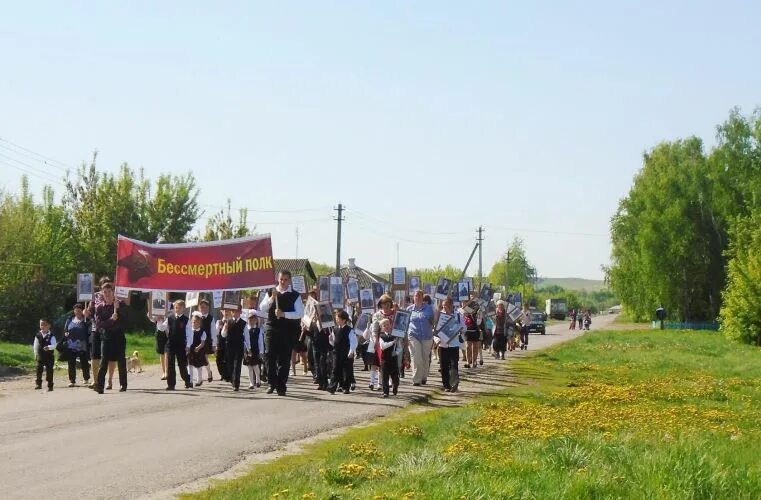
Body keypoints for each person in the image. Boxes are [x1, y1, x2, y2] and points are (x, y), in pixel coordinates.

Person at [258, 270, 304, 396]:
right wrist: (272, 299)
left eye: (285, 279)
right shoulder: (271, 292)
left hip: (287, 330)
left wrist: (284, 314)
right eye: (281, 279)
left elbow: (300, 313)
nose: (283, 282)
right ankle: (272, 383)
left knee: (284, 359)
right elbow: (262, 308)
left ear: (289, 280)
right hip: (272, 328)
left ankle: (281, 385)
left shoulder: (295, 295)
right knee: (269, 356)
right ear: (278, 279)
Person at [94, 283, 129, 393]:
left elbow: (125, 321)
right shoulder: (99, 307)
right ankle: (100, 386)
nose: (107, 294)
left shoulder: (120, 304)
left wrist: (117, 310)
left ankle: (123, 385)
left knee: (121, 361)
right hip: (106, 336)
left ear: (113, 292)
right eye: (105, 292)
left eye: (109, 291)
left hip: (118, 336)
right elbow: (99, 324)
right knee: (104, 361)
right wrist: (111, 320)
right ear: (102, 293)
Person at [157, 299, 192, 391]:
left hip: (181, 345)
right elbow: (161, 328)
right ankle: (171, 384)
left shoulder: (186, 320)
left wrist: (188, 345)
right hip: (170, 344)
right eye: (176, 307)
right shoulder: (170, 318)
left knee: (182, 365)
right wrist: (159, 321)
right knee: (170, 364)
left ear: (183, 309)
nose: (177, 309)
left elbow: (189, 334)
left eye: (179, 308)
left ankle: (187, 380)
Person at [435, 296, 464, 392]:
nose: (445, 308)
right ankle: (446, 385)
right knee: (443, 366)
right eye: (443, 306)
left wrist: (451, 319)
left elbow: (463, 328)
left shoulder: (458, 315)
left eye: (446, 305)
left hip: (454, 344)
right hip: (442, 345)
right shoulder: (439, 315)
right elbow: (435, 329)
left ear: (451, 305)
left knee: (453, 365)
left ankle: (454, 383)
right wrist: (436, 340)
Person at [406, 290, 434, 386]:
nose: (417, 297)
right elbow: (405, 323)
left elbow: (433, 321)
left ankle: (423, 377)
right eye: (415, 296)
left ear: (422, 297)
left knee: (425, 358)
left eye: (419, 296)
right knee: (416, 357)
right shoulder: (409, 309)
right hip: (413, 336)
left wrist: (432, 321)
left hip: (427, 336)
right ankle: (416, 379)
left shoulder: (429, 309)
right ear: (413, 298)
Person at [327, 309, 356, 394]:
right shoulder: (335, 329)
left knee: (346, 370)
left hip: (346, 352)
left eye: (338, 318)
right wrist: (330, 340)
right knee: (335, 369)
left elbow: (353, 342)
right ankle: (332, 387)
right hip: (336, 352)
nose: (336, 320)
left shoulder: (349, 330)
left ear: (344, 320)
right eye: (336, 318)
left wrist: (351, 351)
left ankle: (345, 387)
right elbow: (333, 342)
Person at [221, 305, 249, 392]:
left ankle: (236, 384)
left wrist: (248, 348)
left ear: (240, 312)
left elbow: (247, 337)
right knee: (230, 365)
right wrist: (225, 329)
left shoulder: (244, 323)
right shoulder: (228, 322)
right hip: (229, 346)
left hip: (239, 346)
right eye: (233, 311)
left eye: (237, 311)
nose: (234, 313)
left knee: (237, 365)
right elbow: (223, 335)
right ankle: (232, 379)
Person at [64, 303, 91, 386]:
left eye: (79, 310)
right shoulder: (69, 319)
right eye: (76, 310)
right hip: (71, 344)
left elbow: (89, 331)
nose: (77, 312)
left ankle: (86, 378)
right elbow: (65, 329)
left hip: (82, 344)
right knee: (71, 363)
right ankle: (72, 381)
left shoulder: (86, 320)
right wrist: (66, 333)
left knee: (84, 362)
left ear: (82, 311)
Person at [377, 318, 402, 398]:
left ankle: (395, 386)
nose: (386, 326)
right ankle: (386, 392)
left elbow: (399, 347)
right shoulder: (381, 336)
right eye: (384, 325)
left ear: (391, 325)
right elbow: (383, 346)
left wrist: (396, 352)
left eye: (388, 324)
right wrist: (392, 342)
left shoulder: (395, 336)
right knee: (385, 377)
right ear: (382, 327)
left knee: (395, 376)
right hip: (384, 360)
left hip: (393, 359)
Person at [33, 318, 56, 391]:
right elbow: (35, 345)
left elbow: (54, 345)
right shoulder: (38, 335)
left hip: (49, 356)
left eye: (45, 325)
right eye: (41, 325)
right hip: (40, 356)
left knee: (49, 371)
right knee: (39, 369)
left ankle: (50, 385)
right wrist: (36, 353)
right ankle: (38, 384)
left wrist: (49, 347)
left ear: (49, 326)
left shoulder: (51, 336)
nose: (43, 326)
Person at [198, 300, 217, 383]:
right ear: (199, 308)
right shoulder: (196, 316)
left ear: (208, 308)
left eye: (205, 307)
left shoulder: (211, 318)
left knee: (204, 358)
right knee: (198, 358)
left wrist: (214, 344)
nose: (203, 309)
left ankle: (209, 372)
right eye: (201, 307)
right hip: (197, 340)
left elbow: (213, 331)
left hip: (207, 341)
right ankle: (199, 379)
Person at [187, 312, 208, 387]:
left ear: (200, 323)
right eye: (193, 322)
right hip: (190, 350)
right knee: (189, 365)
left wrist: (198, 348)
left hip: (198, 350)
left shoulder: (202, 332)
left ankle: (199, 380)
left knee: (198, 366)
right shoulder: (189, 330)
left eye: (196, 322)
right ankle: (190, 381)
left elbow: (202, 343)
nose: (194, 324)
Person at [244, 311, 264, 390]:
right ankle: (251, 382)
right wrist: (246, 350)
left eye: (253, 319)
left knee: (255, 366)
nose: (251, 321)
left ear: (256, 320)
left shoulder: (258, 330)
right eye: (250, 319)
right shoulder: (245, 330)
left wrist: (261, 352)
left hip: (256, 350)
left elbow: (260, 341)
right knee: (249, 367)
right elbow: (244, 340)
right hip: (248, 350)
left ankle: (258, 380)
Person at [215, 309, 230, 382]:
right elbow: (216, 333)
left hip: (229, 343)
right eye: (224, 310)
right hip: (221, 343)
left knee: (227, 360)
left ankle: (226, 375)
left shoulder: (231, 321)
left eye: (227, 311)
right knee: (219, 360)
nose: (226, 312)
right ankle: (222, 374)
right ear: (221, 311)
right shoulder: (219, 322)